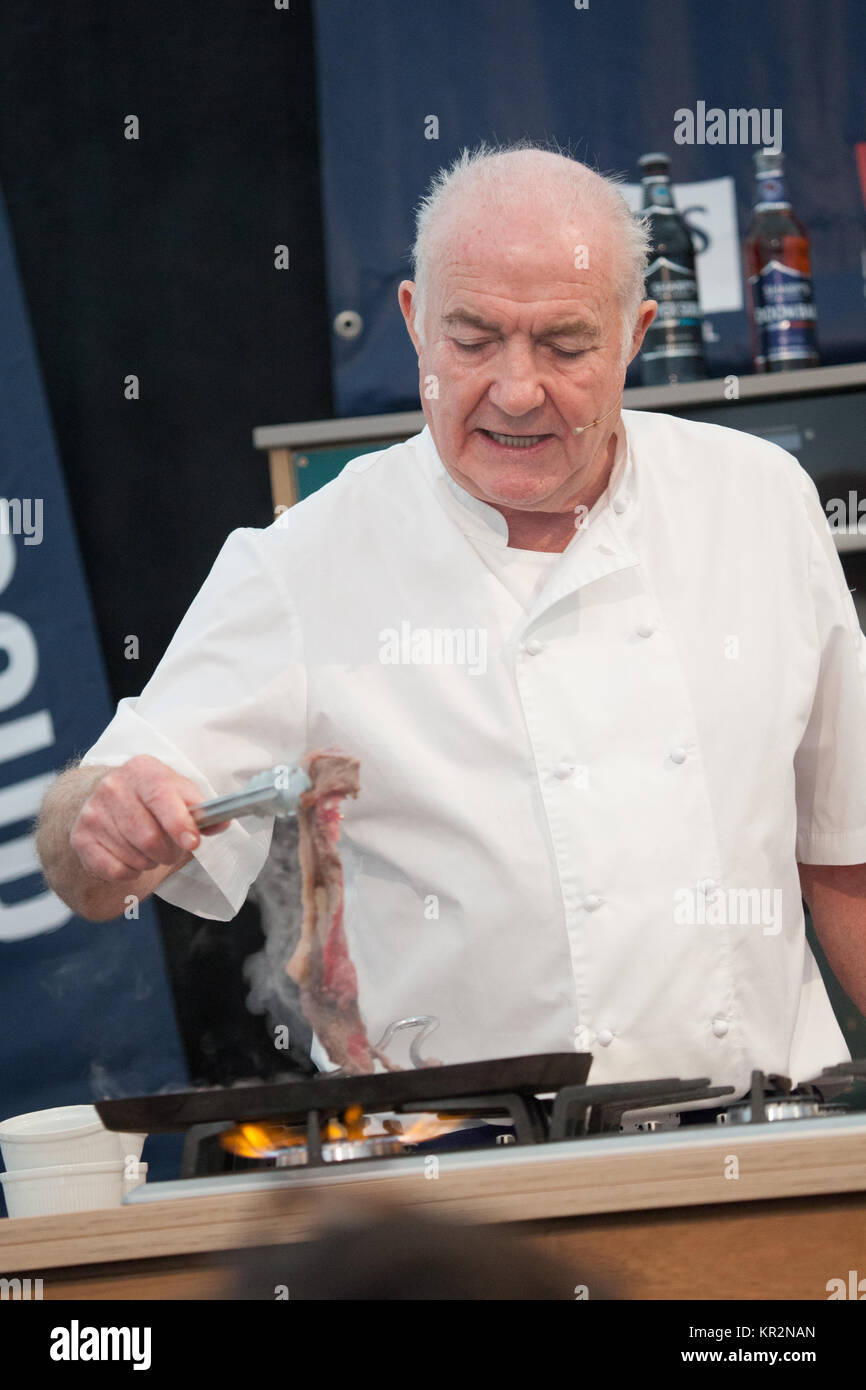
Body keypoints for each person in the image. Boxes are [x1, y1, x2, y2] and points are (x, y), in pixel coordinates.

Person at [36, 143, 866, 1095]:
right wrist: (99, 825)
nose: (516, 391)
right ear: (413, 323)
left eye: (565, 345)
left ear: (635, 335)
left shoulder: (757, 501)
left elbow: (848, 849)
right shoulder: (304, 564)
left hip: (765, 1145)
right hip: (465, 1182)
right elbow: (88, 862)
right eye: (472, 341)